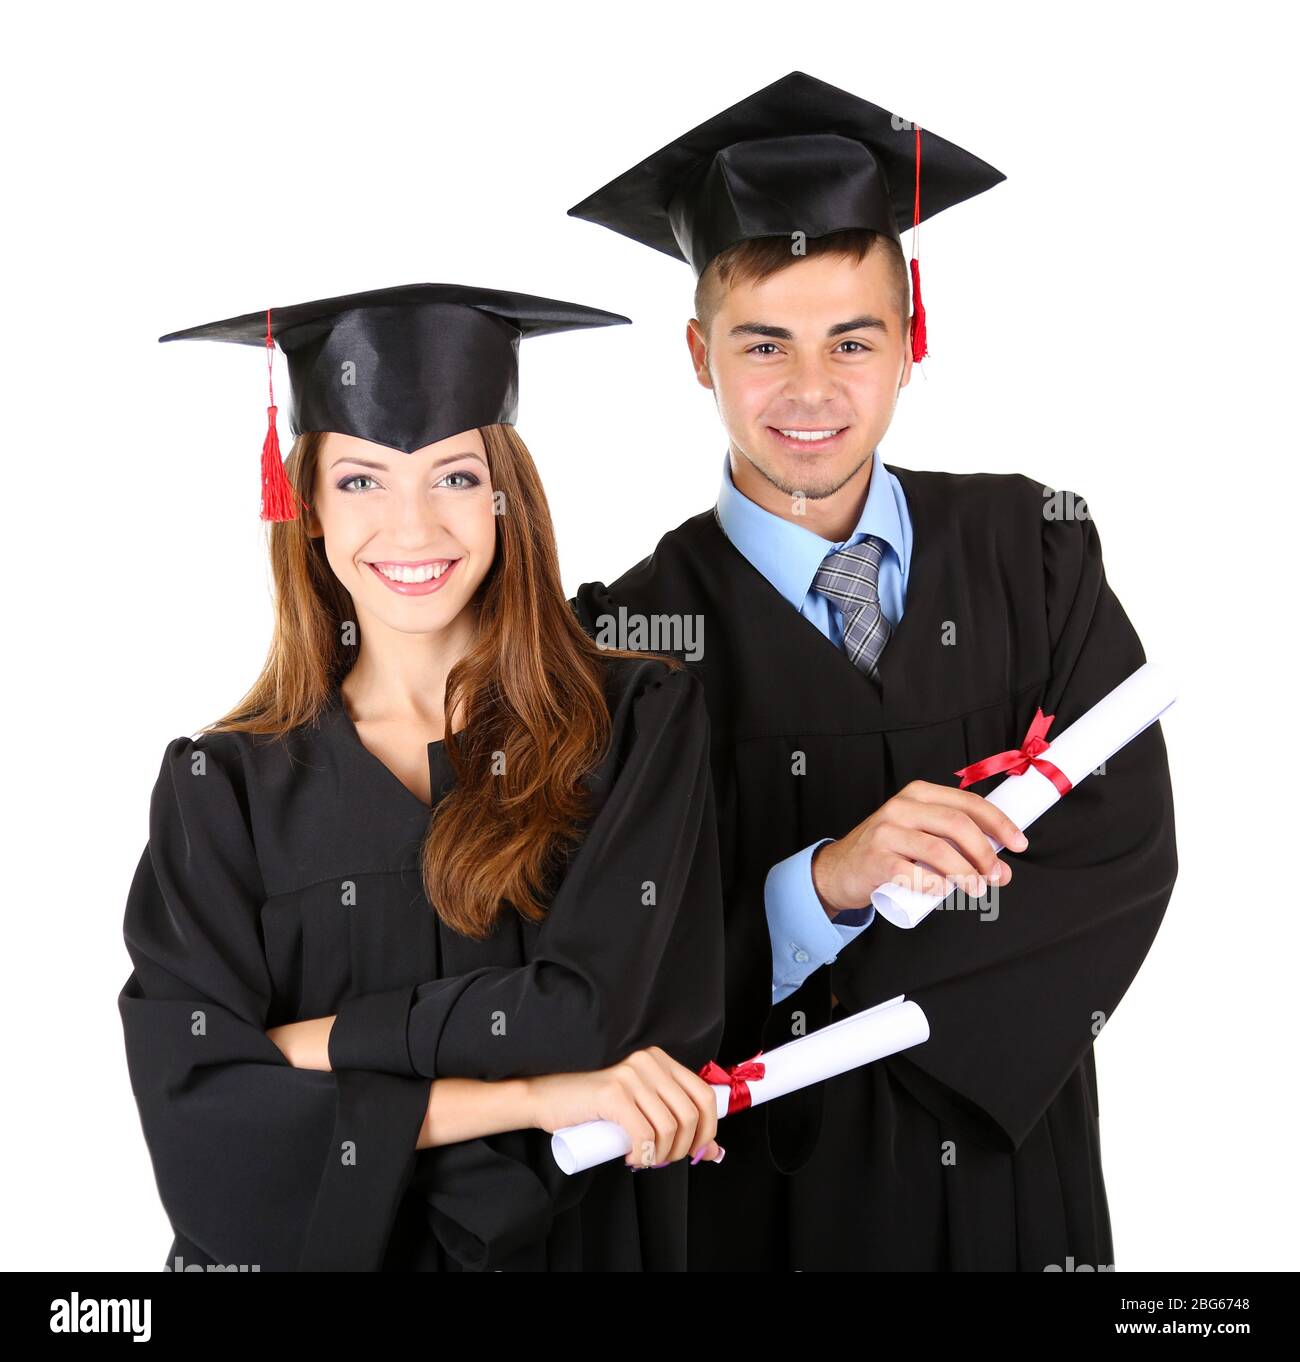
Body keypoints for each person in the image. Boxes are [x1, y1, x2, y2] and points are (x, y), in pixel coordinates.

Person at [567, 72, 1179, 1270]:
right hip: (767, 1202)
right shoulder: (626, 641)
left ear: (914, 342)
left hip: (1013, 1168)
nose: (810, 391)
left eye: (853, 340)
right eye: (764, 344)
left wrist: (898, 1021)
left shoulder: (1036, 552)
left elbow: (1121, 850)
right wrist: (824, 885)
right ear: (699, 354)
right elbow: (617, 960)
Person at [117, 283, 727, 1273]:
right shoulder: (221, 788)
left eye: (451, 477)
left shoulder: (632, 725)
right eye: (360, 481)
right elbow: (205, 1124)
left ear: (503, 499)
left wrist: (304, 1048)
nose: (412, 528)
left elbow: (596, 1016)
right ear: (306, 509)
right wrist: (533, 1099)